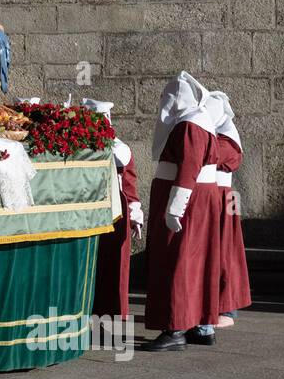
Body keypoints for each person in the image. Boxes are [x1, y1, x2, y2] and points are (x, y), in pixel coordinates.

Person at [142, 72, 223, 351]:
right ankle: (201, 325)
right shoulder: (198, 122)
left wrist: (175, 208)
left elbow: (189, 168)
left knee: (177, 261)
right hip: (196, 198)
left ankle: (175, 327)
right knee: (196, 261)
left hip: (186, 200)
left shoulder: (190, 124)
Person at [83, 100, 142, 320]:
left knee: (115, 266)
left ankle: (113, 318)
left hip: (115, 210)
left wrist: (135, 215)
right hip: (93, 209)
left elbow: (129, 184)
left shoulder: (118, 148)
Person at [205, 91, 252, 326]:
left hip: (223, 199)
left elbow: (212, 156)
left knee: (226, 251)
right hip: (218, 197)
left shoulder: (226, 137)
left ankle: (227, 307)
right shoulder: (218, 134)